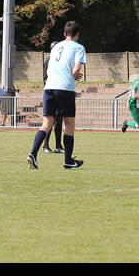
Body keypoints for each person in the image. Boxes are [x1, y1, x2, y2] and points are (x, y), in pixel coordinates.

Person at [27, 21, 86, 169]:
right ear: (77, 34)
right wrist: (71, 77)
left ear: (64, 34)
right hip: (64, 88)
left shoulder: (56, 47)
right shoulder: (79, 47)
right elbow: (77, 67)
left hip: (49, 87)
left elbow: (48, 70)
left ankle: (33, 154)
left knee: (47, 123)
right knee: (69, 123)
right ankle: (68, 160)